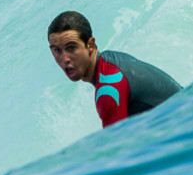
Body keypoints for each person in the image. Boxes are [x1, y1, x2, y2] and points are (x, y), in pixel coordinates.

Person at [47, 10, 182, 127]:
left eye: (71, 48)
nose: (65, 59)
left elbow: (120, 150)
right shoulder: (111, 59)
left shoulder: (108, 88)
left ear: (90, 45)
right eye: (57, 51)